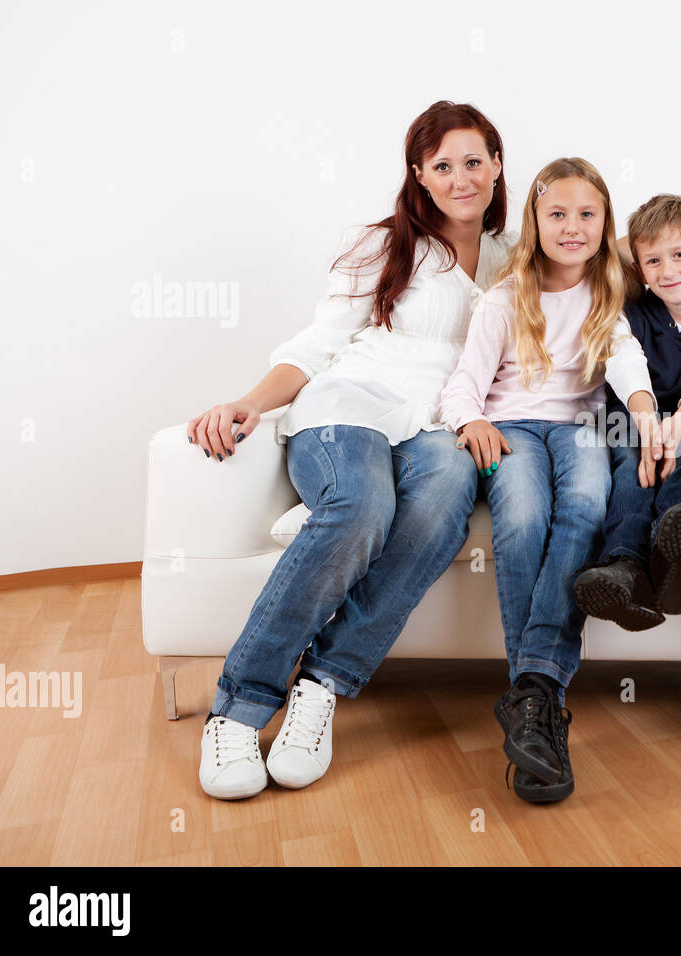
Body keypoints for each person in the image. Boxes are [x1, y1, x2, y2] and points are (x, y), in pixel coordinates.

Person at [187, 100, 514, 800]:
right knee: (361, 506)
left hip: (439, 426)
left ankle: (323, 684)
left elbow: (590, 291)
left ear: (497, 165)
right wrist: (250, 401)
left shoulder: (514, 258)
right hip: (348, 408)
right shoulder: (385, 243)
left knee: (438, 511)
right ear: (420, 176)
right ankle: (239, 709)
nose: (462, 177)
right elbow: (317, 344)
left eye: (474, 161)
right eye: (443, 165)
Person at [438, 157, 652, 804]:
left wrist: (645, 413)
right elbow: (464, 383)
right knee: (525, 517)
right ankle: (542, 701)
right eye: (556, 214)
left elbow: (628, 355)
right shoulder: (506, 297)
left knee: (586, 501)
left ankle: (529, 694)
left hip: (580, 427)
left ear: (605, 223)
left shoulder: (608, 291)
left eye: (587, 215)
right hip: (512, 428)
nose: (572, 227)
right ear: (534, 221)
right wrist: (470, 420)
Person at [575, 194, 681, 630]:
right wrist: (648, 420)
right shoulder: (628, 313)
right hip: (634, 420)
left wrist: (675, 426)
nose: (668, 271)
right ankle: (625, 566)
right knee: (632, 463)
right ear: (638, 270)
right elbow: (624, 361)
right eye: (653, 261)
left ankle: (676, 556)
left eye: (680, 255)